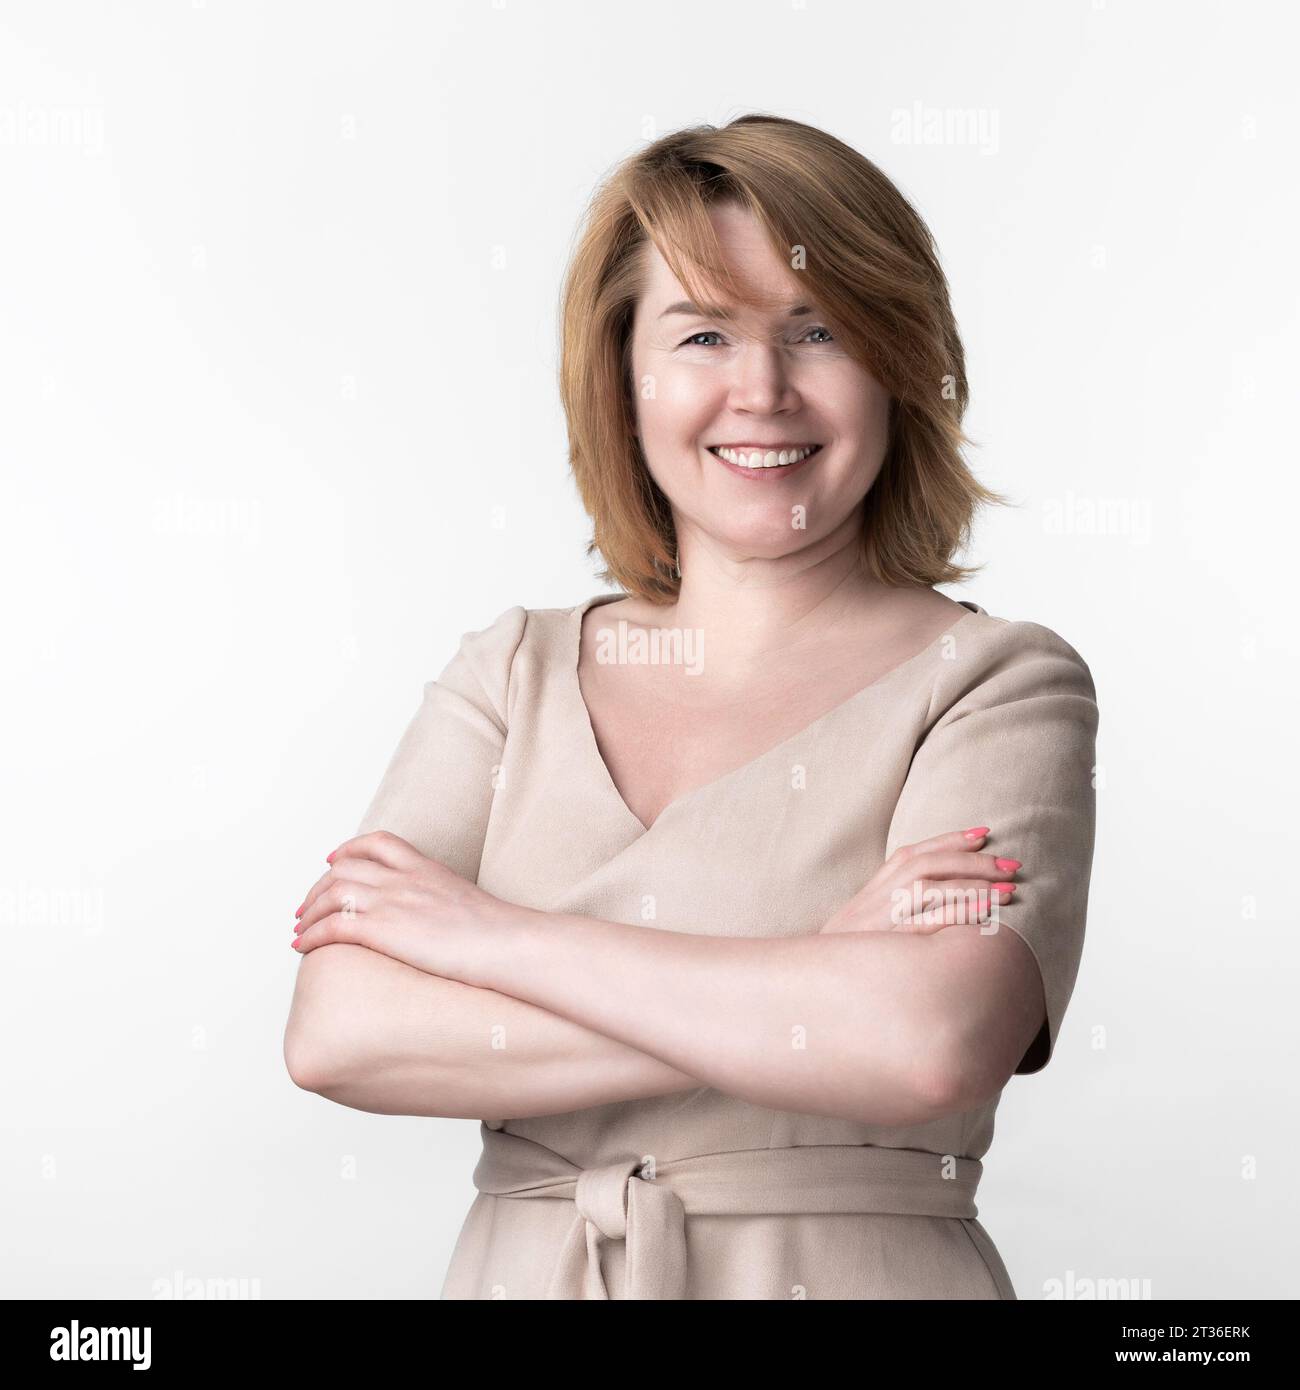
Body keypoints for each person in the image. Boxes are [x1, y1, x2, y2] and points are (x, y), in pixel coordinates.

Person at [283, 113, 1099, 1300]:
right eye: (703, 333)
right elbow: (339, 1031)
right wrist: (811, 972)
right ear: (621, 377)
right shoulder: (508, 674)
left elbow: (925, 1045)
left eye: (816, 331)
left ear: (899, 365)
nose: (760, 390)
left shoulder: (1001, 685)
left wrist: (492, 941)